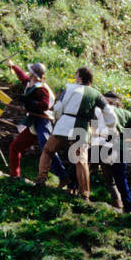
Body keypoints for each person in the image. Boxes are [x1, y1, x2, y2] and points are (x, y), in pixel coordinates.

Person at [37, 67, 113, 200]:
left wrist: (57, 118)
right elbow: (108, 112)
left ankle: (40, 180)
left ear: (81, 77)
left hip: (64, 124)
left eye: (77, 75)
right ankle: (85, 194)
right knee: (81, 161)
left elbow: (58, 107)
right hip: (81, 128)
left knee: (48, 151)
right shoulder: (97, 94)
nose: (75, 77)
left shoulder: (69, 88)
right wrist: (110, 126)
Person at [5, 62, 67, 182]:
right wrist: (13, 66)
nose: (28, 74)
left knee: (47, 148)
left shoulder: (41, 89)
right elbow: (22, 77)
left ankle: (63, 177)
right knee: (15, 147)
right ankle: (15, 176)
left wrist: (29, 102)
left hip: (42, 121)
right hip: (33, 122)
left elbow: (44, 105)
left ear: (33, 74)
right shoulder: (30, 83)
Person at [96, 93, 131, 213]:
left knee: (88, 165)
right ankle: (128, 208)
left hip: (101, 144)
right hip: (120, 147)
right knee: (120, 178)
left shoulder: (100, 111)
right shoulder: (126, 114)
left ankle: (77, 191)